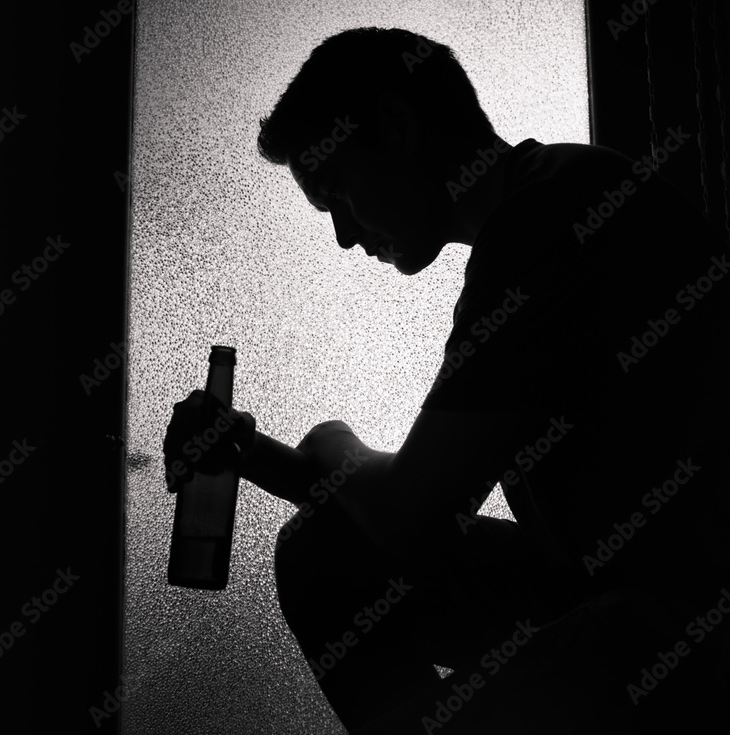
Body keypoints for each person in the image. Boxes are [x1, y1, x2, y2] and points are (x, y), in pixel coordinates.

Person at [164, 27, 730, 733]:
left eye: (337, 192)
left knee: (338, 549)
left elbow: (409, 514)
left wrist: (331, 440)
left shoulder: (547, 222)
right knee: (325, 548)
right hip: (609, 586)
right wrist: (249, 452)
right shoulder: (546, 200)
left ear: (398, 128)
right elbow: (414, 503)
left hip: (685, 621)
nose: (343, 236)